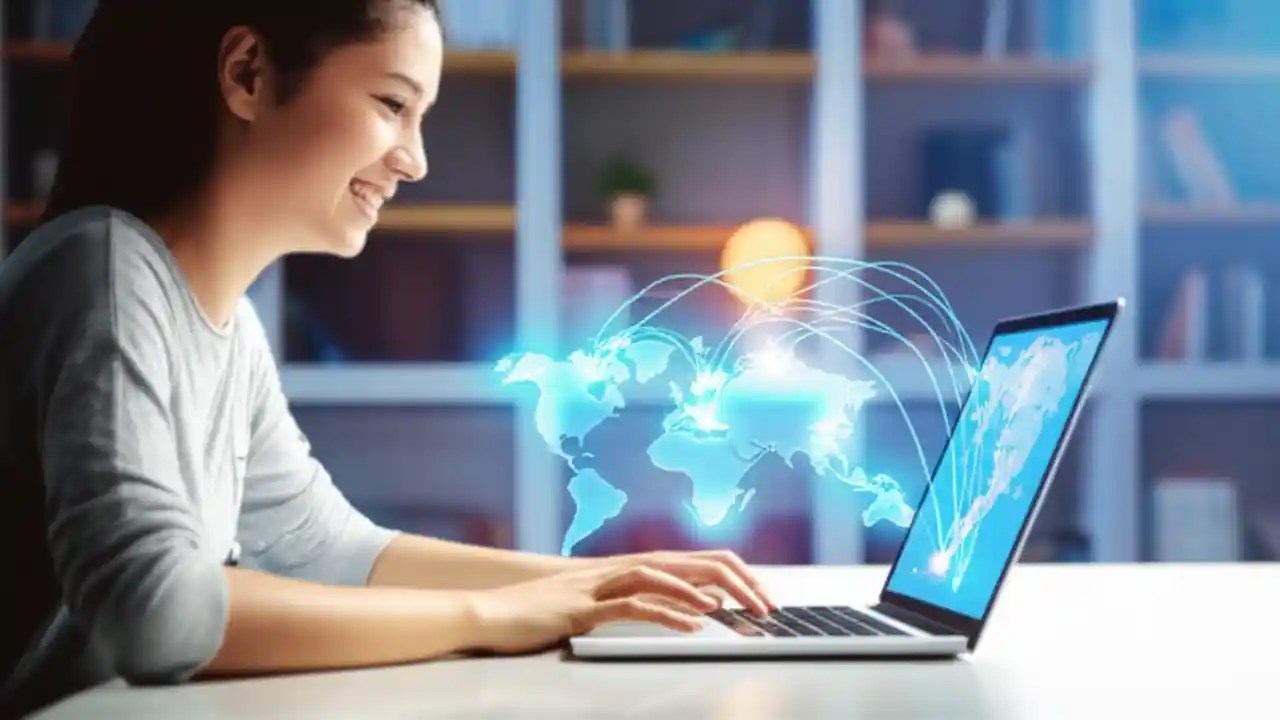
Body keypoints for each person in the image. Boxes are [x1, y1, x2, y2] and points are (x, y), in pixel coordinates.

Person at [0, 1, 775, 714]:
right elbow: (157, 613)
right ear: (247, 75)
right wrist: (493, 616)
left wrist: (588, 583)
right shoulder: (104, 271)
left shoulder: (220, 319)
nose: (415, 160)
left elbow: (322, 545)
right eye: (392, 106)